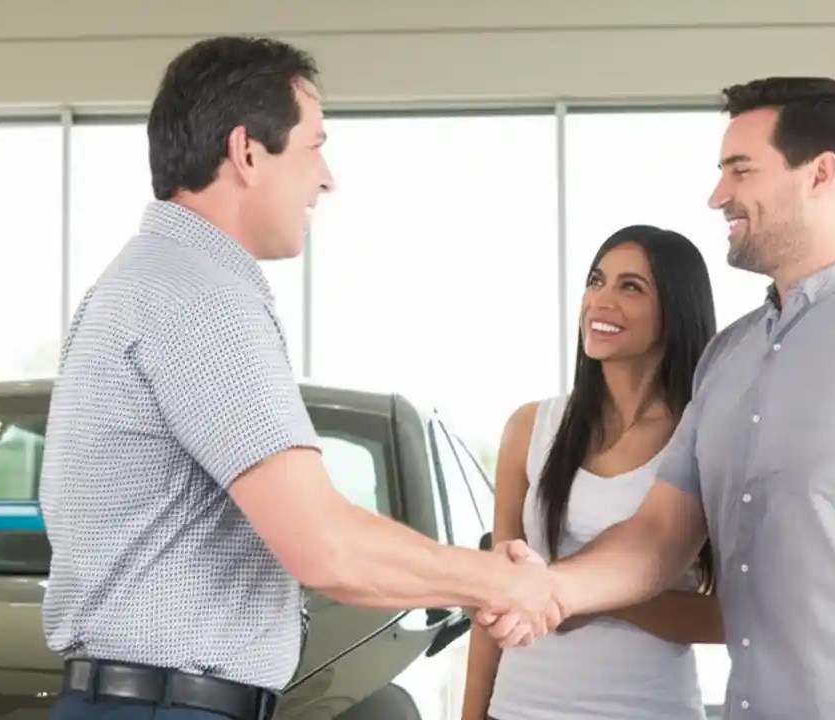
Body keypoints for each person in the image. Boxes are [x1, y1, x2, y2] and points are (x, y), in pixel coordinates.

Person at [38, 36, 563, 720]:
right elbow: (324, 546)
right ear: (248, 152)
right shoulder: (199, 296)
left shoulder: (149, 279)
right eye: (314, 146)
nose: (327, 178)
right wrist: (497, 580)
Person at [479, 77, 835, 720]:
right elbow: (658, 536)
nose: (718, 196)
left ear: (821, 173)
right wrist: (551, 588)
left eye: (740, 171)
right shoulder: (727, 358)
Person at [462, 225, 726, 720]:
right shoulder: (529, 429)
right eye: (596, 280)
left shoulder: (706, 439)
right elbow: (494, 597)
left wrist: (585, 595)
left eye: (631, 287)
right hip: (519, 709)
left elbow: (729, 620)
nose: (600, 301)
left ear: (675, 310)